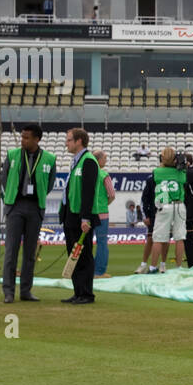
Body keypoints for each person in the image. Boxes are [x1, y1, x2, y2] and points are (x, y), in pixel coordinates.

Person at [0, 124, 55, 303]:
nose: (23, 140)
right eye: (22, 137)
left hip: (35, 207)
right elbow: (4, 176)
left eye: (26, 137)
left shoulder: (49, 158)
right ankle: (8, 291)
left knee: (30, 253)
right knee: (11, 251)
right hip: (15, 206)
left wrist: (38, 197)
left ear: (37, 139)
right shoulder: (12, 154)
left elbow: (50, 183)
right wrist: (11, 196)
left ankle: (25, 291)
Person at [61, 127, 105, 302]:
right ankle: (78, 291)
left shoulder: (88, 161)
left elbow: (88, 192)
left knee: (84, 255)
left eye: (69, 139)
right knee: (74, 255)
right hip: (71, 214)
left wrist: (85, 218)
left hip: (81, 217)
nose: (67, 143)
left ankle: (86, 293)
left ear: (79, 141)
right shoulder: (76, 161)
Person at [150, 147, 187, 272]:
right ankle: (178, 267)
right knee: (179, 238)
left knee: (158, 238)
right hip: (179, 204)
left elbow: (156, 177)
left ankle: (153, 267)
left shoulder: (157, 172)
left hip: (164, 203)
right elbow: (184, 180)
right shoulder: (180, 173)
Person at [93, 150, 116, 278]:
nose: (106, 160)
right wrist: (104, 204)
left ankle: (88, 270)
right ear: (99, 159)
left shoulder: (88, 173)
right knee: (101, 243)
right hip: (102, 213)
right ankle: (99, 272)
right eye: (105, 158)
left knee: (86, 244)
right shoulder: (104, 175)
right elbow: (112, 195)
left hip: (88, 214)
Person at [136, 174, 158, 274]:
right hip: (153, 213)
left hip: (167, 212)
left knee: (164, 240)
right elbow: (144, 199)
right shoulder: (151, 178)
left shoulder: (170, 176)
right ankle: (144, 264)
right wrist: (145, 216)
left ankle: (161, 265)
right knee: (150, 238)